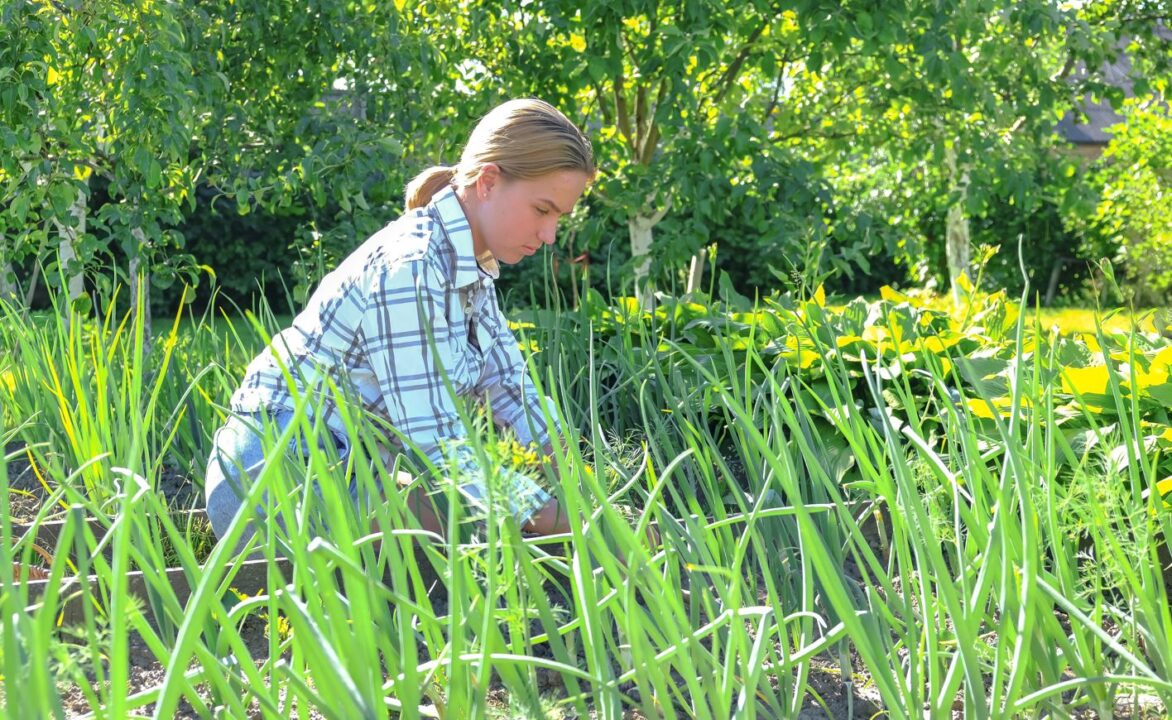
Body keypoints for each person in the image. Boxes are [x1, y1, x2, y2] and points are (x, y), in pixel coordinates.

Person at [204, 98, 594, 550]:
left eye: (558, 218)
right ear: (488, 181)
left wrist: (585, 489)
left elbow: (512, 390)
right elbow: (439, 445)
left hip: (345, 469)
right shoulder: (411, 266)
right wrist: (556, 518)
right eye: (542, 210)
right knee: (469, 528)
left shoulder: (470, 273)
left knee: (481, 525)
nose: (549, 236)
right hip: (276, 475)